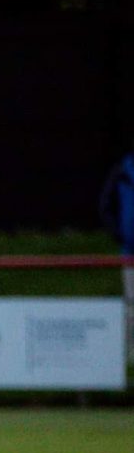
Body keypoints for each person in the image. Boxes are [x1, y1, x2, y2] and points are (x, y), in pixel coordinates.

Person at [98, 138, 134, 345]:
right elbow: (105, 204)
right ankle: (131, 351)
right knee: (131, 302)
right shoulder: (122, 169)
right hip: (130, 251)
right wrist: (119, 234)